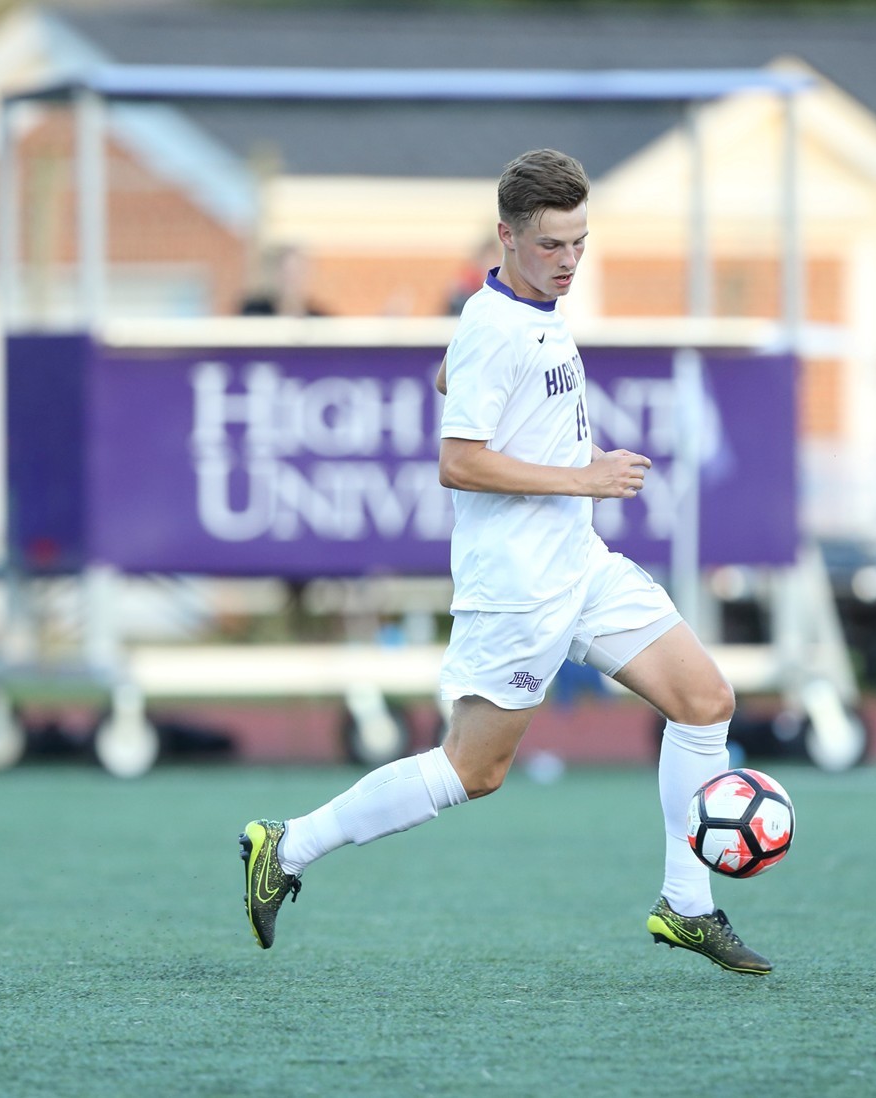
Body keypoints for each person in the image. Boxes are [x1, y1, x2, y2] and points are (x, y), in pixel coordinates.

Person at [239, 148, 771, 974]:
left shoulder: (514, 307)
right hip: (517, 588)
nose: (568, 262)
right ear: (509, 237)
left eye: (579, 243)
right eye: (552, 245)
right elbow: (458, 460)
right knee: (473, 771)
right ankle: (289, 845)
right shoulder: (498, 325)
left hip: (578, 561)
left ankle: (687, 905)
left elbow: (455, 373)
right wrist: (584, 476)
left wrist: (560, 469)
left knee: (704, 700)